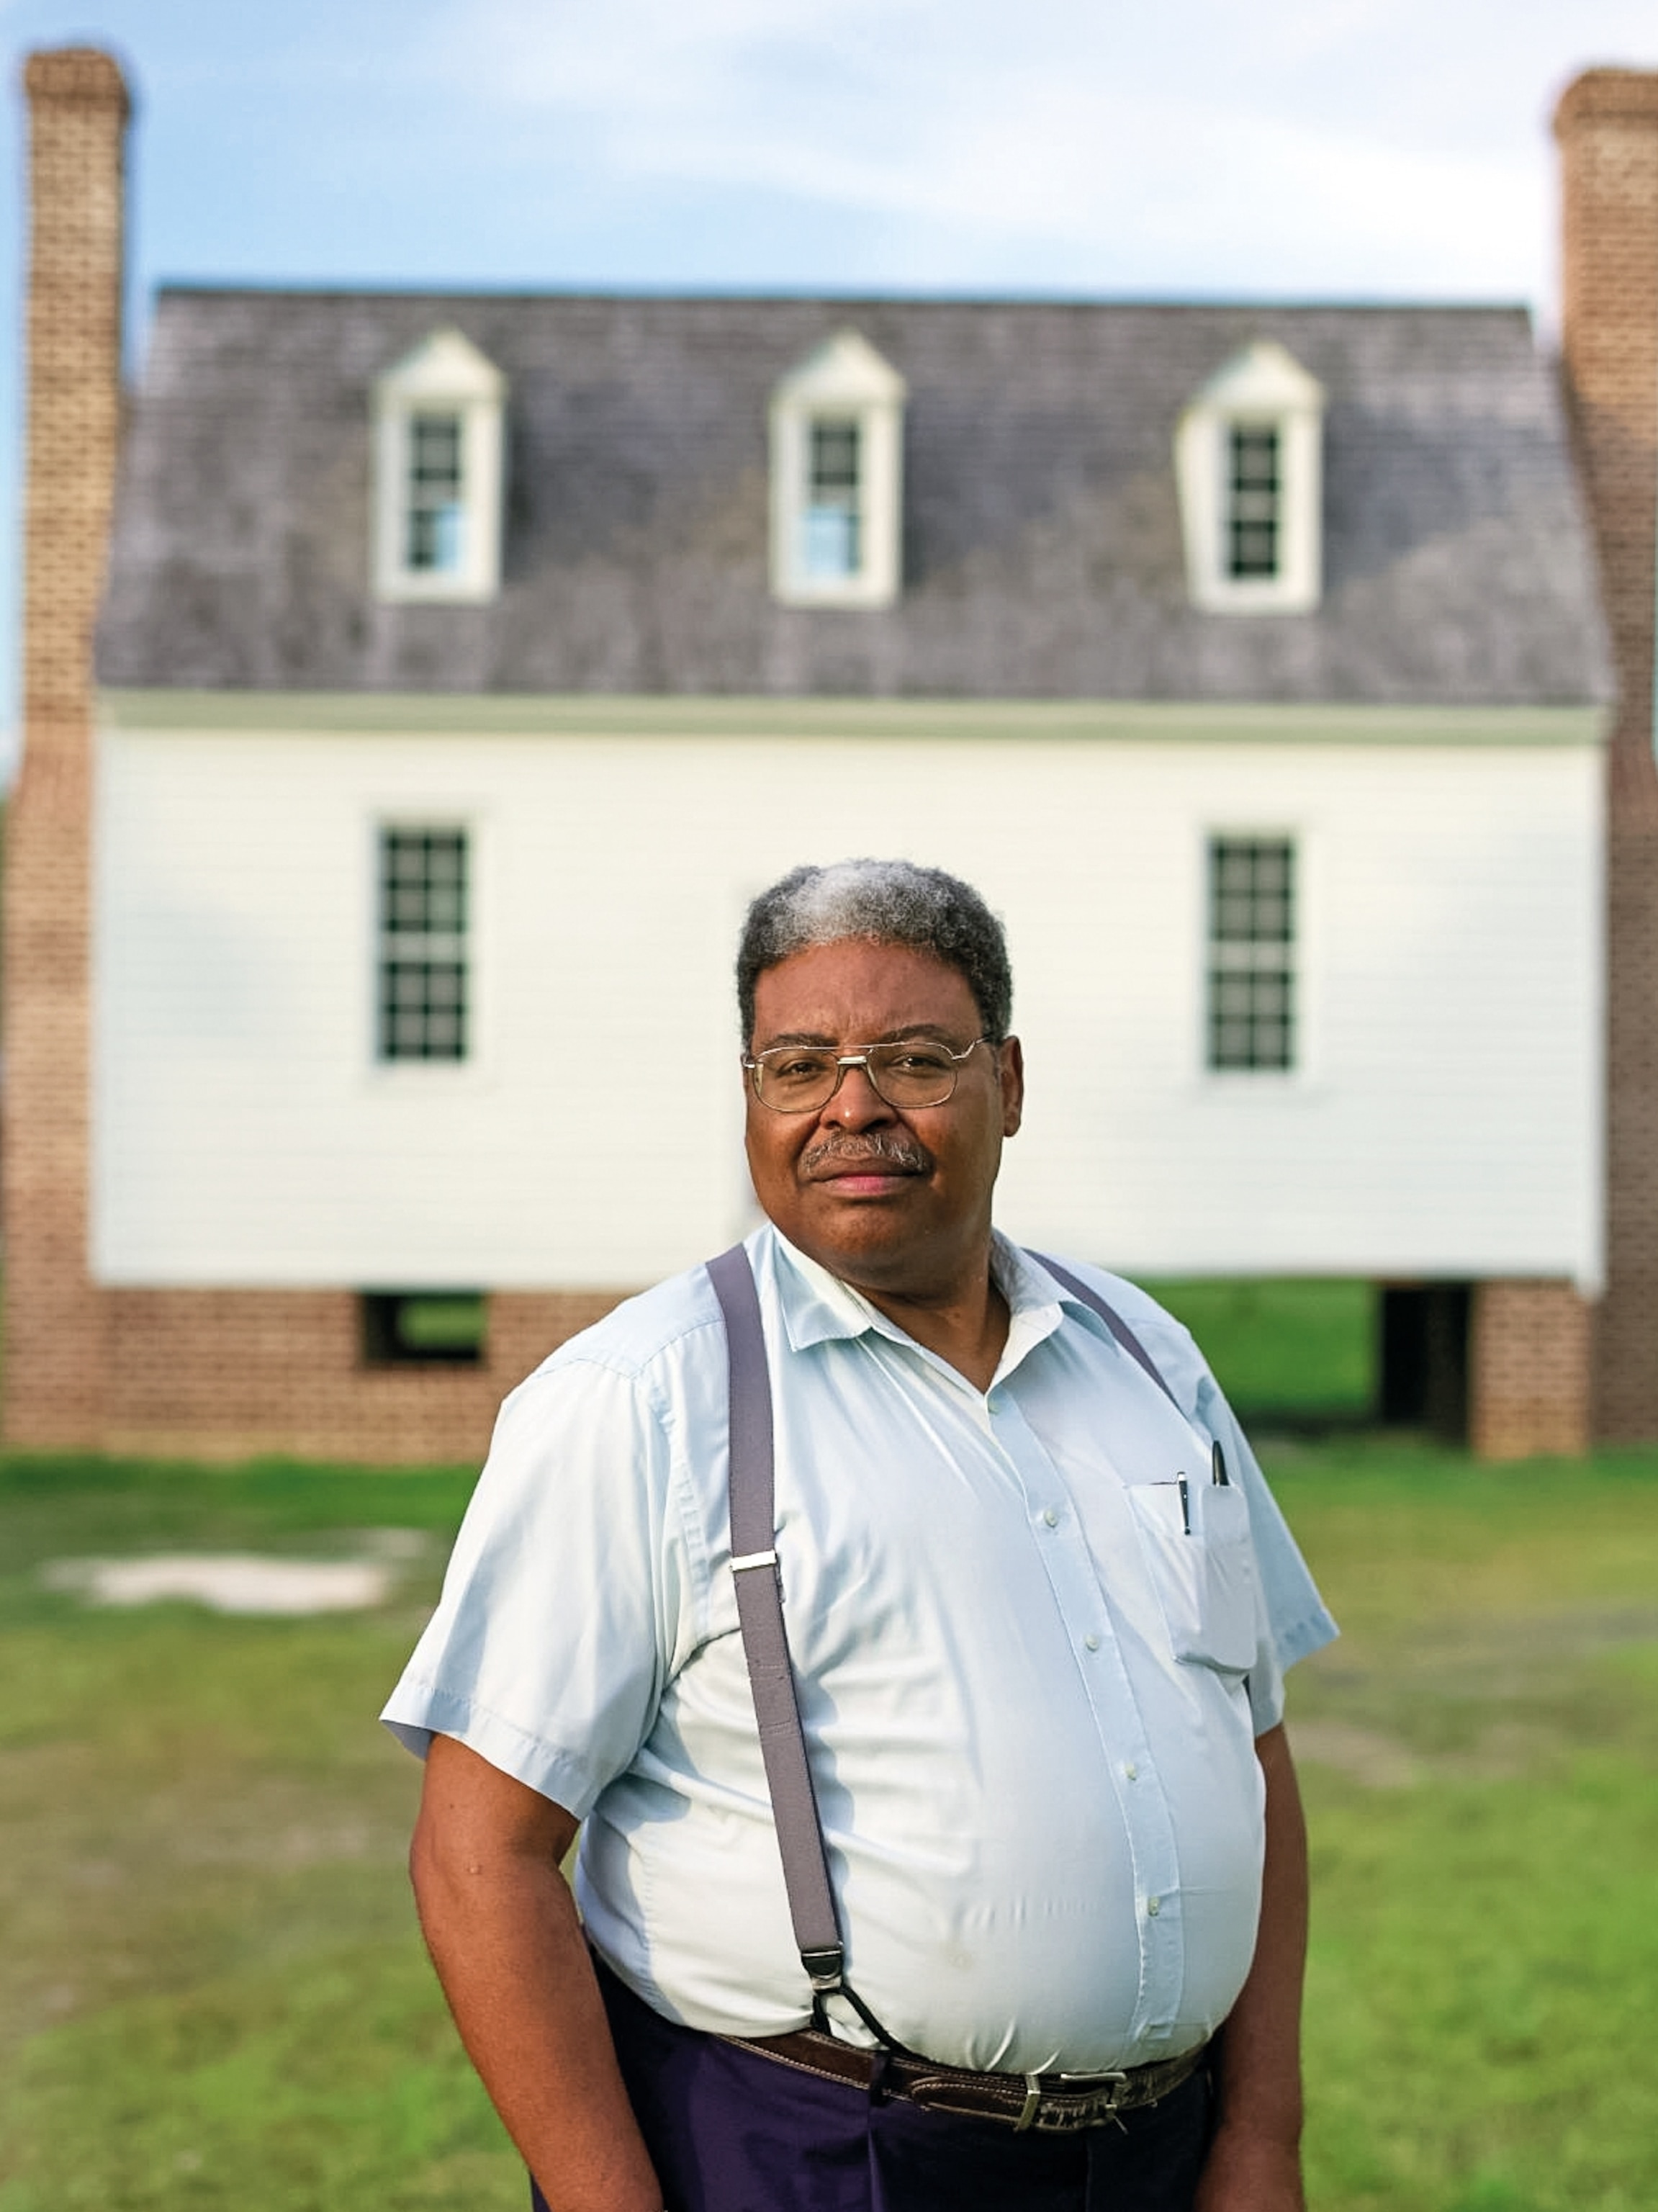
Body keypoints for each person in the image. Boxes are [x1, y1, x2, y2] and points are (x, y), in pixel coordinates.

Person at [383, 857, 1337, 2212]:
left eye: (913, 1057)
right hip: (815, 2155)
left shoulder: (1150, 1358)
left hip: (1163, 2157)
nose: (851, 1107)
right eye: (797, 1064)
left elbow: (1250, 1747)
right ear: (750, 1095)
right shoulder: (639, 1402)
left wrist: (1259, 2138)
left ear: (1009, 1083)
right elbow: (480, 1853)